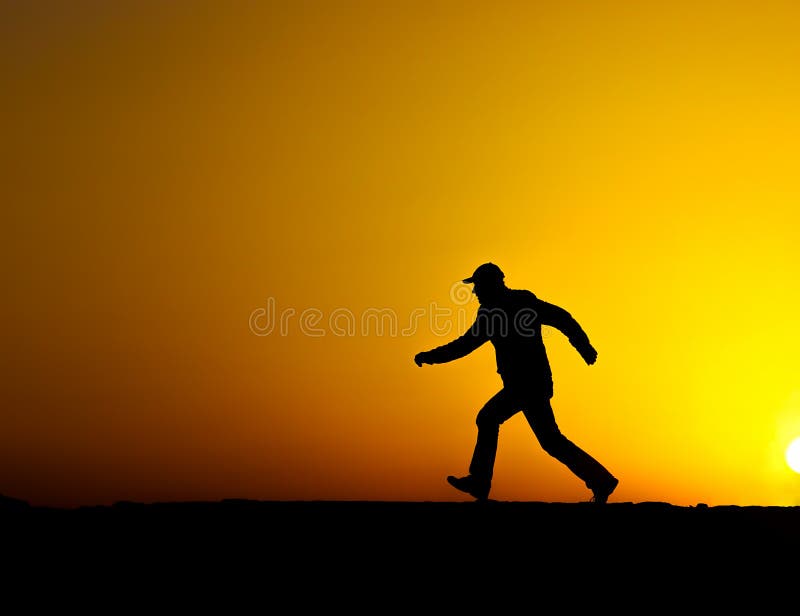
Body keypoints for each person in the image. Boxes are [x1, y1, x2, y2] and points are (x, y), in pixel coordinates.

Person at [414, 262, 618, 504]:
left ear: (492, 285)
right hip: (528, 383)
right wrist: (432, 357)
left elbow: (560, 318)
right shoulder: (495, 312)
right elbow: (466, 344)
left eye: (478, 286)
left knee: (489, 419)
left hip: (528, 384)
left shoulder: (519, 304)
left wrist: (582, 345)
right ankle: (601, 480)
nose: (475, 292)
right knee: (550, 440)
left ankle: (479, 482)